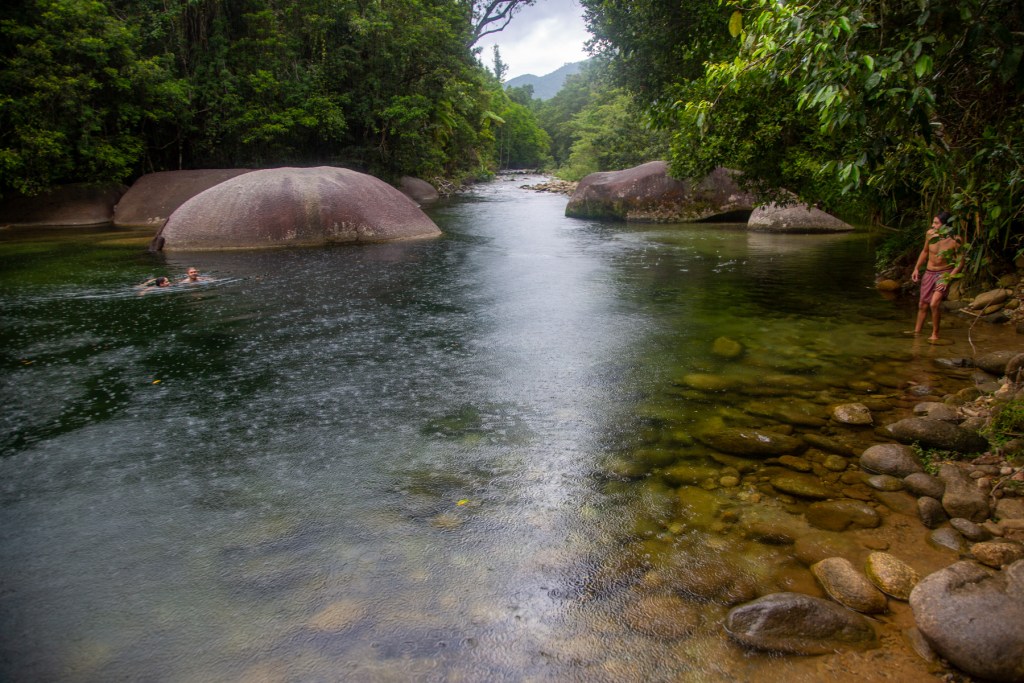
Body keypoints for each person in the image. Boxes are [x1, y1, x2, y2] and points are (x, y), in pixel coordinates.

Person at [911, 210, 963, 342]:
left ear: (946, 225)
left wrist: (947, 279)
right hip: (929, 272)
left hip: (944, 273)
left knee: (934, 304)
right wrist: (916, 268)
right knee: (923, 304)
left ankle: (935, 334)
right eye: (933, 222)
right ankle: (917, 333)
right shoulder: (930, 234)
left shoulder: (955, 240)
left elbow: (960, 262)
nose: (933, 225)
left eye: (936, 223)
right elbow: (925, 251)